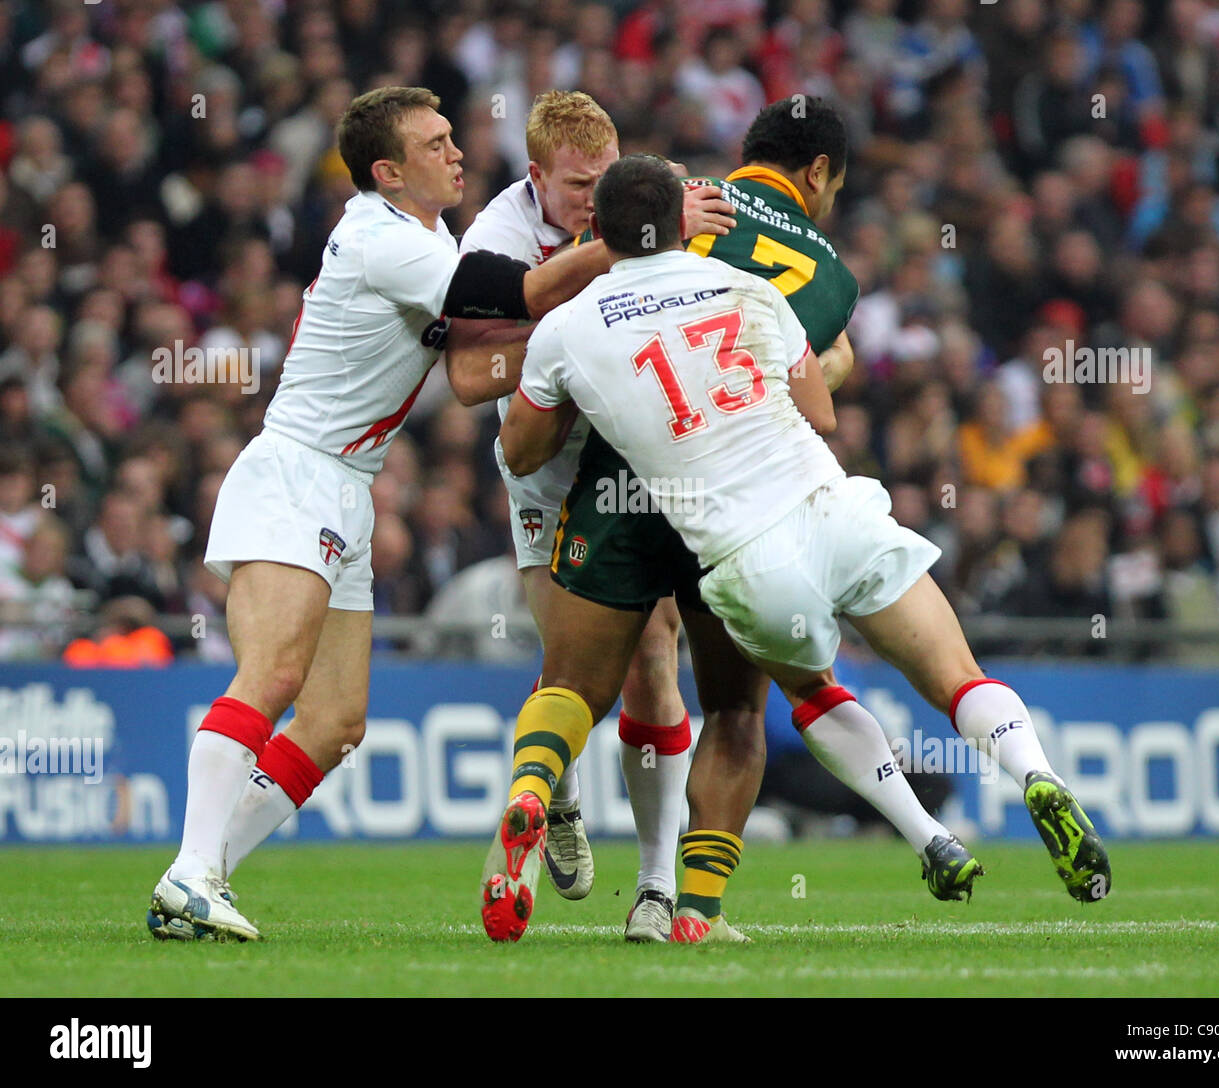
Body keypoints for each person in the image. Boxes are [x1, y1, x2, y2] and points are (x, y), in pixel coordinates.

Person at [491, 153, 1112, 944]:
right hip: (833, 509)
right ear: (684, 220)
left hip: (748, 560)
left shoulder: (567, 328)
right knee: (956, 679)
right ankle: (1035, 777)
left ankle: (644, 866)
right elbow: (818, 410)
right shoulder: (753, 291)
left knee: (776, 696)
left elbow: (521, 452)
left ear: (596, 232)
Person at [147, 86, 613, 942]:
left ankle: (202, 876)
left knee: (333, 722)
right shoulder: (380, 237)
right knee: (274, 679)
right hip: (298, 471)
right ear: (388, 171)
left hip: (346, 486)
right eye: (435, 144)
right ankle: (186, 873)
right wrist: (621, 242)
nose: (458, 152)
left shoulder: (425, 234)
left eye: (452, 139)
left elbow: (480, 361)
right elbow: (510, 289)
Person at [452, 90, 737, 939]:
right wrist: (567, 344)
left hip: (631, 464)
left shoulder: (652, 199)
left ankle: (654, 887)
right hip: (543, 470)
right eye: (577, 185)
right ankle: (561, 799)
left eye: (605, 180)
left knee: (654, 657)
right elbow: (469, 378)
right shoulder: (496, 240)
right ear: (535, 176)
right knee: (571, 667)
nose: (594, 197)